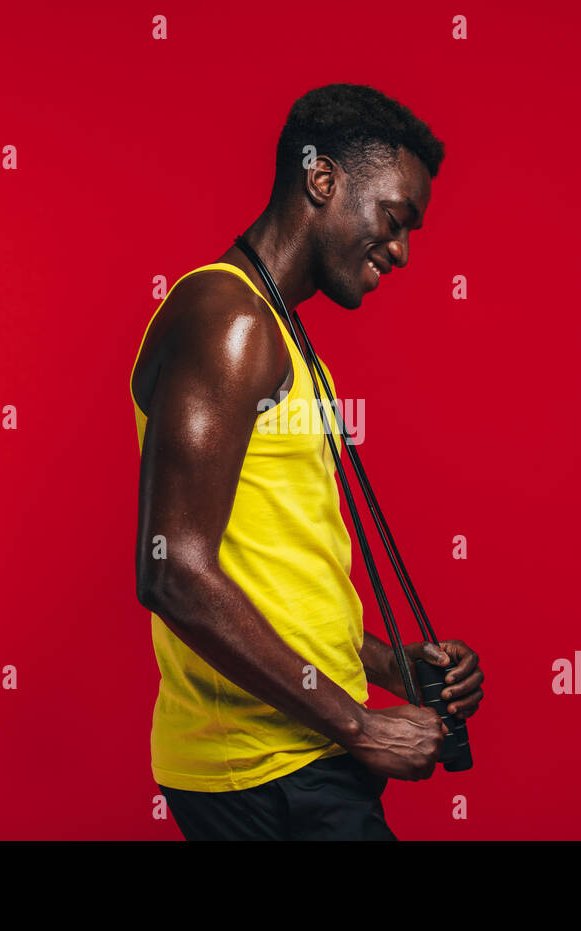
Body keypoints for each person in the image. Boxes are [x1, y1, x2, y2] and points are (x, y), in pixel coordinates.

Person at [129, 83, 484, 840]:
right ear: (321, 179)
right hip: (269, 768)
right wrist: (358, 725)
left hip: (303, 754)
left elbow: (270, 577)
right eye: (394, 220)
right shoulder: (228, 320)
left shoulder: (278, 332)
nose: (402, 251)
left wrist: (391, 667)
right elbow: (174, 570)